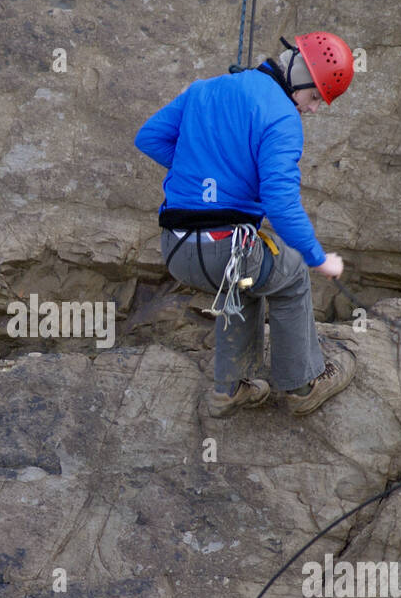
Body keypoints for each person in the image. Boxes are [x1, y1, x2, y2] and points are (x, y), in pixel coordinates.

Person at [134, 32, 358, 416]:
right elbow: (281, 203)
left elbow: (149, 137)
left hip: (176, 248)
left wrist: (203, 171)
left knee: (249, 276)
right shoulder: (283, 119)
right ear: (302, 75)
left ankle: (230, 388)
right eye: (318, 96)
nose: (316, 108)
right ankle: (303, 386)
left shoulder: (205, 89)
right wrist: (317, 258)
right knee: (291, 275)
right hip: (224, 248)